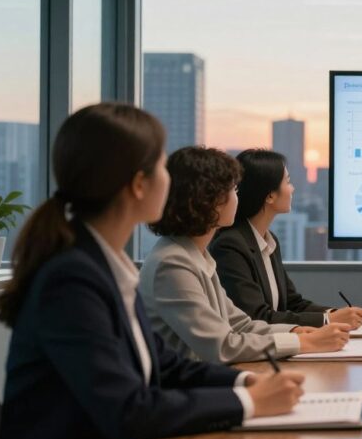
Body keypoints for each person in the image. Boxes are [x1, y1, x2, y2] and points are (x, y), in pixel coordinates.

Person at [0, 105, 304, 439]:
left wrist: (244, 381)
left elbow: (165, 365)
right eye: (161, 166)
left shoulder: (105, 264)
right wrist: (248, 401)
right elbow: (129, 410)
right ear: (139, 185)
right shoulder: (71, 280)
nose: (170, 181)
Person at [140, 146, 350, 364]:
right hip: (187, 388)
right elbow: (222, 346)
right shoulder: (173, 264)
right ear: (208, 200)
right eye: (233, 191)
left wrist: (296, 333)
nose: (238, 198)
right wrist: (304, 343)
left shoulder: (195, 256)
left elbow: (241, 325)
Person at [210, 149, 362, 328]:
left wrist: (333, 314)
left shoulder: (269, 241)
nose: (292, 189)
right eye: (288, 182)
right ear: (270, 195)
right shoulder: (230, 245)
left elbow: (293, 303)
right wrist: (328, 321)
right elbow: (256, 316)